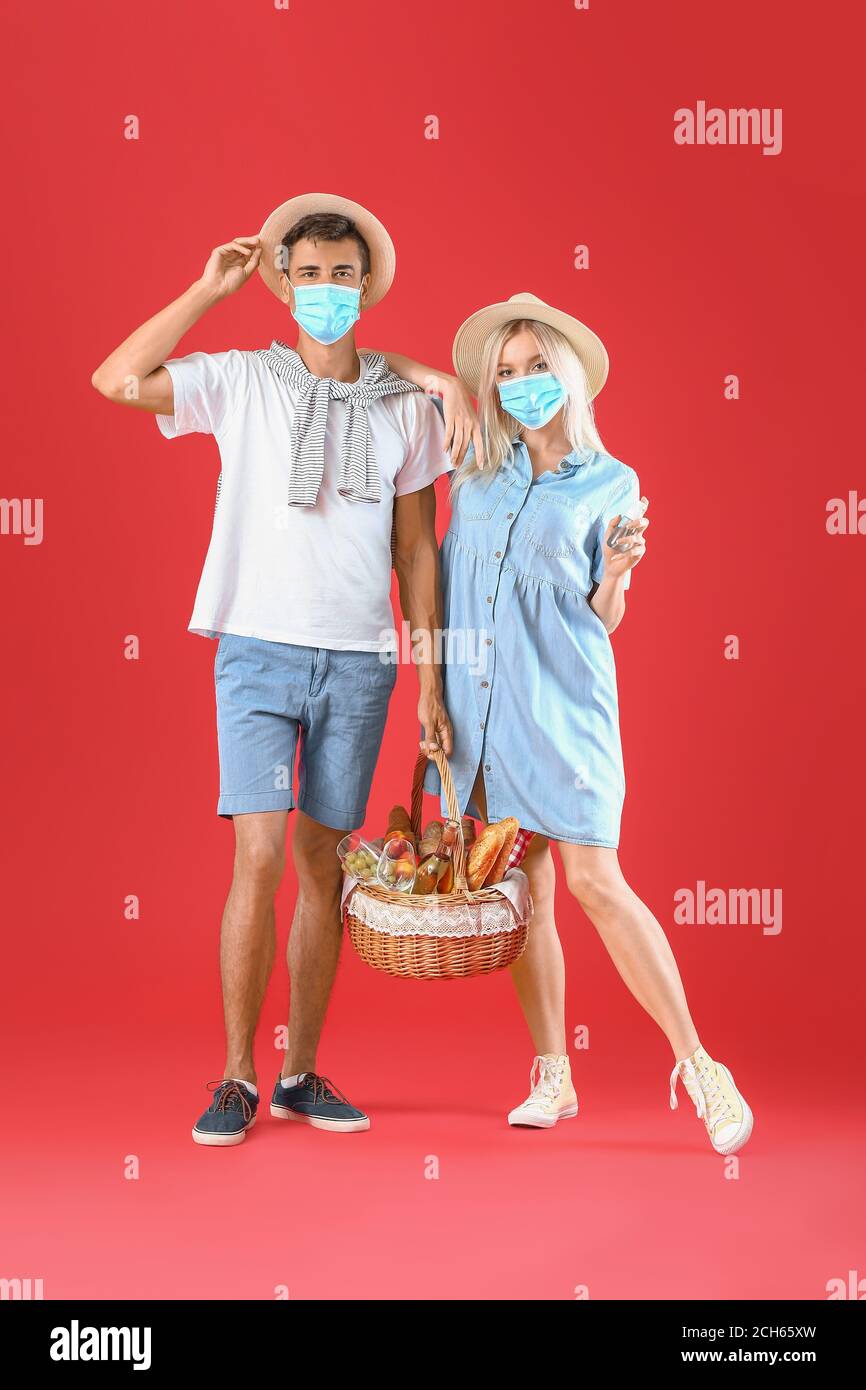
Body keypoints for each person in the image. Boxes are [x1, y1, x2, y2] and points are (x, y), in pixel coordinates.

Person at [91, 194, 461, 1144]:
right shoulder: (238, 381)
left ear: (366, 285)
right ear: (284, 284)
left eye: (345, 275)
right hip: (255, 647)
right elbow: (115, 378)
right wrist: (208, 290)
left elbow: (417, 553)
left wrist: (430, 680)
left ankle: (299, 1071)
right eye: (310, 275)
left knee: (325, 864)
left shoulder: (402, 406)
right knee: (256, 856)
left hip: (362, 661)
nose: (328, 290)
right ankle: (234, 1077)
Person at [381, 294, 753, 1155]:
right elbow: (433, 573)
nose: (520, 386)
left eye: (535, 368)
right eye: (504, 373)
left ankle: (700, 1067)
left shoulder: (611, 483)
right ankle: (554, 1070)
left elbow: (602, 616)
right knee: (528, 887)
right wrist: (428, 691)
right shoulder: (472, 460)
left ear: (568, 376)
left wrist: (618, 574)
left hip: (564, 705)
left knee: (594, 880)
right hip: (474, 705)